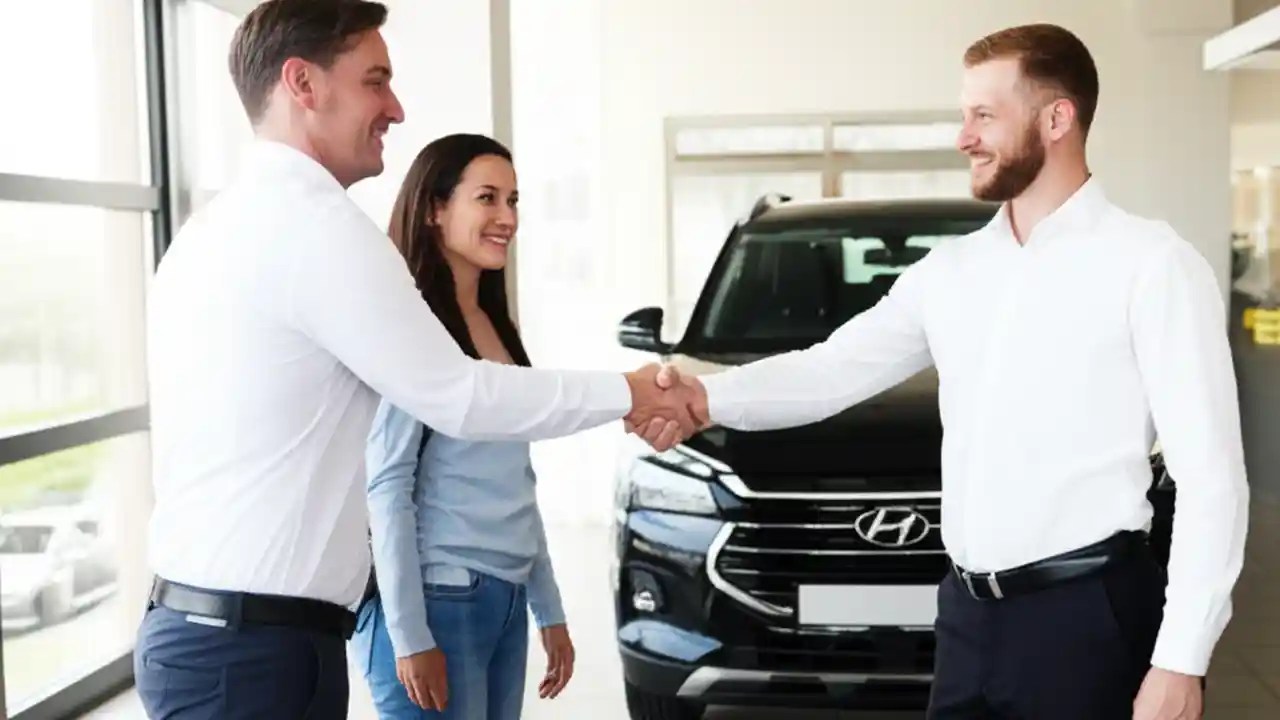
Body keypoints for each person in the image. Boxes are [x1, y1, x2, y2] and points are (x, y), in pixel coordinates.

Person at [642, 22, 1248, 720]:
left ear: (1057, 119)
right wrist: (701, 397)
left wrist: (1182, 659)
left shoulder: (1152, 265)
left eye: (984, 115)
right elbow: (831, 370)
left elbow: (1212, 479)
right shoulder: (952, 272)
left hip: (1086, 617)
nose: (964, 137)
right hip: (966, 617)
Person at [134, 1, 698, 718]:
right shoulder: (317, 230)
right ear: (303, 84)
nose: (396, 109)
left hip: (237, 638)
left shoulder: (213, 229)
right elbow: (458, 397)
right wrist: (631, 391)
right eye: (376, 81)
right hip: (248, 653)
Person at [349, 134, 576, 718]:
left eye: (514, 200)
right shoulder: (414, 326)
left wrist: (547, 607)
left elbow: (514, 479)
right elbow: (387, 484)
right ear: (435, 209)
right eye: (487, 198)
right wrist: (409, 636)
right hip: (438, 597)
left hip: (503, 597)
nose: (508, 217)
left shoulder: (494, 326)